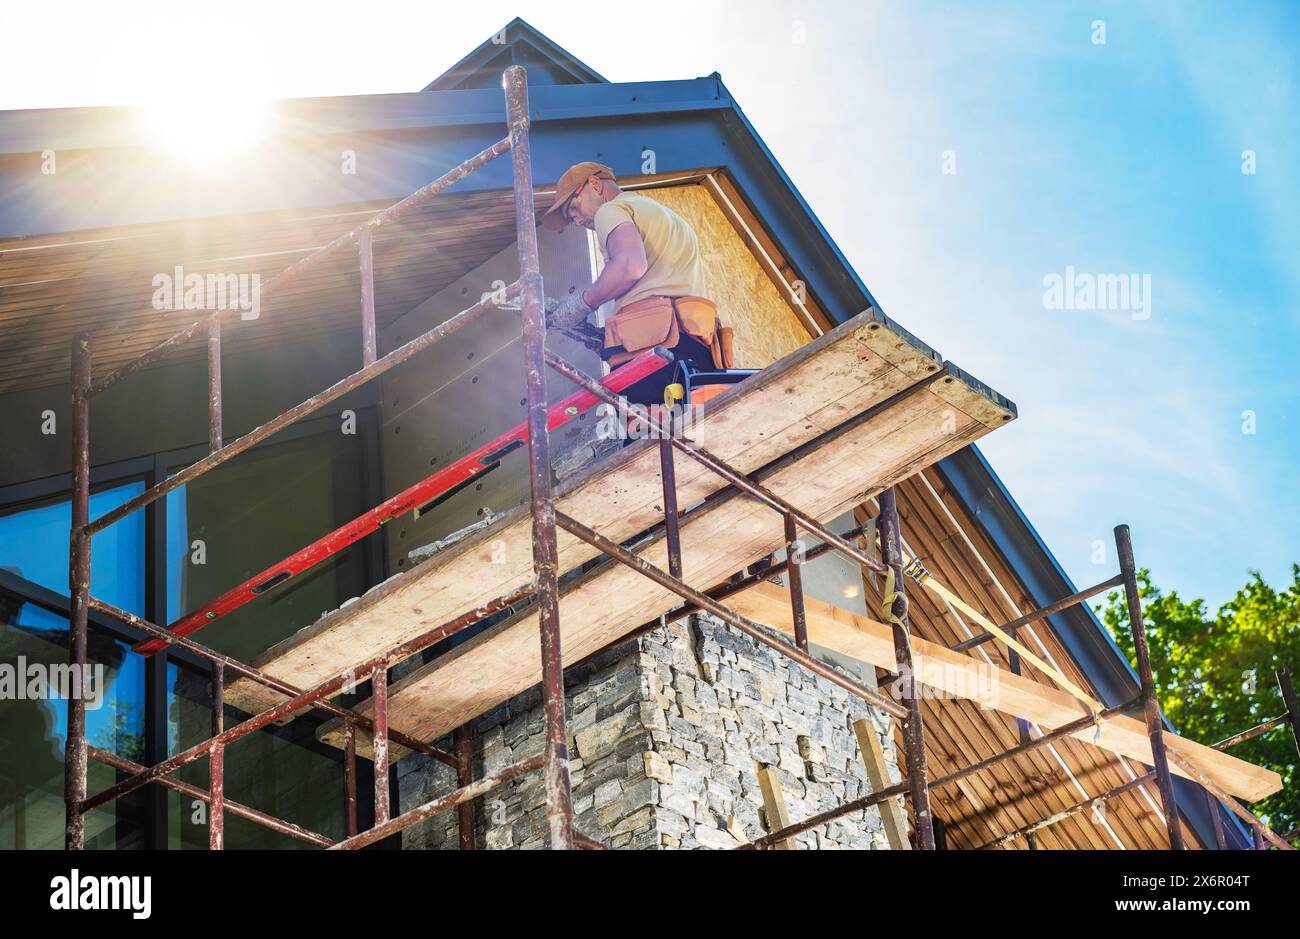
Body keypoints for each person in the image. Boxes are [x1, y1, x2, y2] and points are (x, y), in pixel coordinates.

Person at [541, 162, 733, 411]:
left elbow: (630, 266)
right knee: (686, 436)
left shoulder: (610, 210)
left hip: (656, 356)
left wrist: (581, 304)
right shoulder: (664, 216)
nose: (576, 220)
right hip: (695, 351)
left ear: (595, 185)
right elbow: (657, 289)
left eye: (574, 208)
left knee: (650, 439)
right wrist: (609, 337)